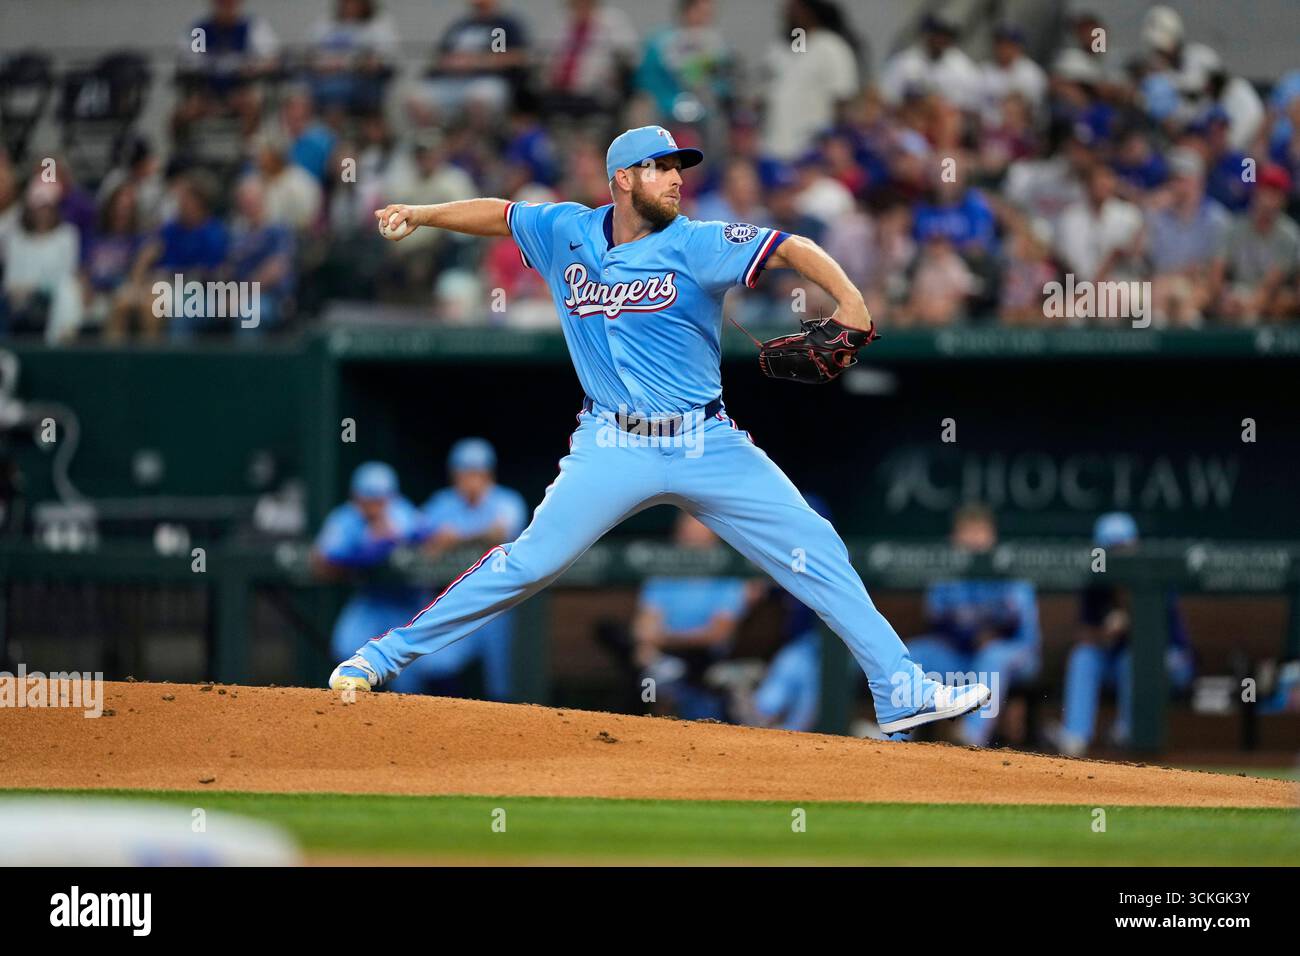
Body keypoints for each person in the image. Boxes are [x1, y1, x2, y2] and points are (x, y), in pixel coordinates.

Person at [332, 123, 991, 737]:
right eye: (661, 169)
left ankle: (899, 689)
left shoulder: (697, 241)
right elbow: (501, 214)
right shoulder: (565, 229)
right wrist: (421, 214)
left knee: (812, 544)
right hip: (611, 443)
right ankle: (381, 657)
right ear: (622, 179)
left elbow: (794, 247)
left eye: (680, 169)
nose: (677, 179)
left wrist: (852, 302)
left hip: (707, 440)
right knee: (527, 563)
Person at [390, 438, 527, 700]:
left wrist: (457, 537)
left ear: (488, 474)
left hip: (501, 604)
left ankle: (508, 734)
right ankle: (453, 726)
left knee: (501, 678)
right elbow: (416, 532)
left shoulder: (506, 501)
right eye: (464, 473)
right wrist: (431, 538)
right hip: (460, 600)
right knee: (435, 664)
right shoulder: (444, 502)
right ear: (455, 475)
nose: (470, 480)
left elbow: (500, 531)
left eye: (477, 473)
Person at [1055, 513, 1195, 756]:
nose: (1118, 556)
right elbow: (1081, 632)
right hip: (1115, 659)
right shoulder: (1096, 583)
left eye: (1123, 548)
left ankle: (1129, 733)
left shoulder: (1154, 578)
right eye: (1111, 550)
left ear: (1135, 547)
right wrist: (1103, 635)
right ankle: (1075, 737)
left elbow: (1160, 639)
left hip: (1170, 660)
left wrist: (1131, 623)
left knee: (1133, 660)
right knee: (1084, 657)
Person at [905, 504, 1040, 746]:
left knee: (992, 656)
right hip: (964, 653)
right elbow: (936, 619)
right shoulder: (948, 571)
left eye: (980, 533)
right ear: (954, 538)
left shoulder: (1009, 567)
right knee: (914, 654)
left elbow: (1015, 622)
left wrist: (988, 633)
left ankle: (971, 737)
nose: (974, 540)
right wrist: (972, 635)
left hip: (1015, 652)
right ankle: (896, 733)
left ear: (992, 537)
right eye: (967, 532)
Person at [312, 462, 426, 686]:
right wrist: (364, 548)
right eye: (369, 500)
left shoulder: (400, 511)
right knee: (346, 648)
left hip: (407, 601)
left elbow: (425, 533)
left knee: (412, 670)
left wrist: (384, 541)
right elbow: (322, 560)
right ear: (357, 497)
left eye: (380, 500)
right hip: (372, 599)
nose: (375, 507)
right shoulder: (346, 517)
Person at [632, 512, 751, 720]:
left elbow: (718, 634)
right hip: (668, 658)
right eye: (687, 538)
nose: (692, 546)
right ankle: (656, 735)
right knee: (654, 677)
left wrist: (664, 639)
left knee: (726, 688)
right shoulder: (664, 575)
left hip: (708, 658)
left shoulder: (727, 577)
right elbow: (644, 627)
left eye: (699, 540)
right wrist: (650, 645)